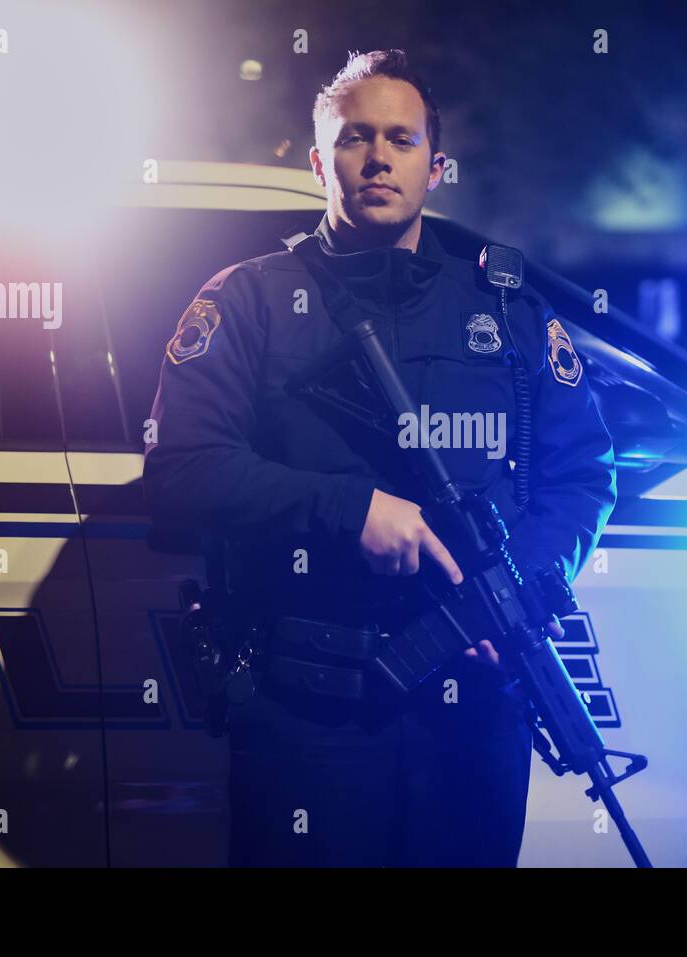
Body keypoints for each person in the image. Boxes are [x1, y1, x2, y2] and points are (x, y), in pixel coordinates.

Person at [143, 49, 616, 867]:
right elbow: (181, 468)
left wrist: (511, 598)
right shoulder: (251, 300)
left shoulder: (506, 311)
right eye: (355, 138)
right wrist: (347, 511)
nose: (376, 157)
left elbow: (583, 475)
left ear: (436, 165)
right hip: (308, 721)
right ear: (320, 158)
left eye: (400, 139)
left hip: (472, 717)